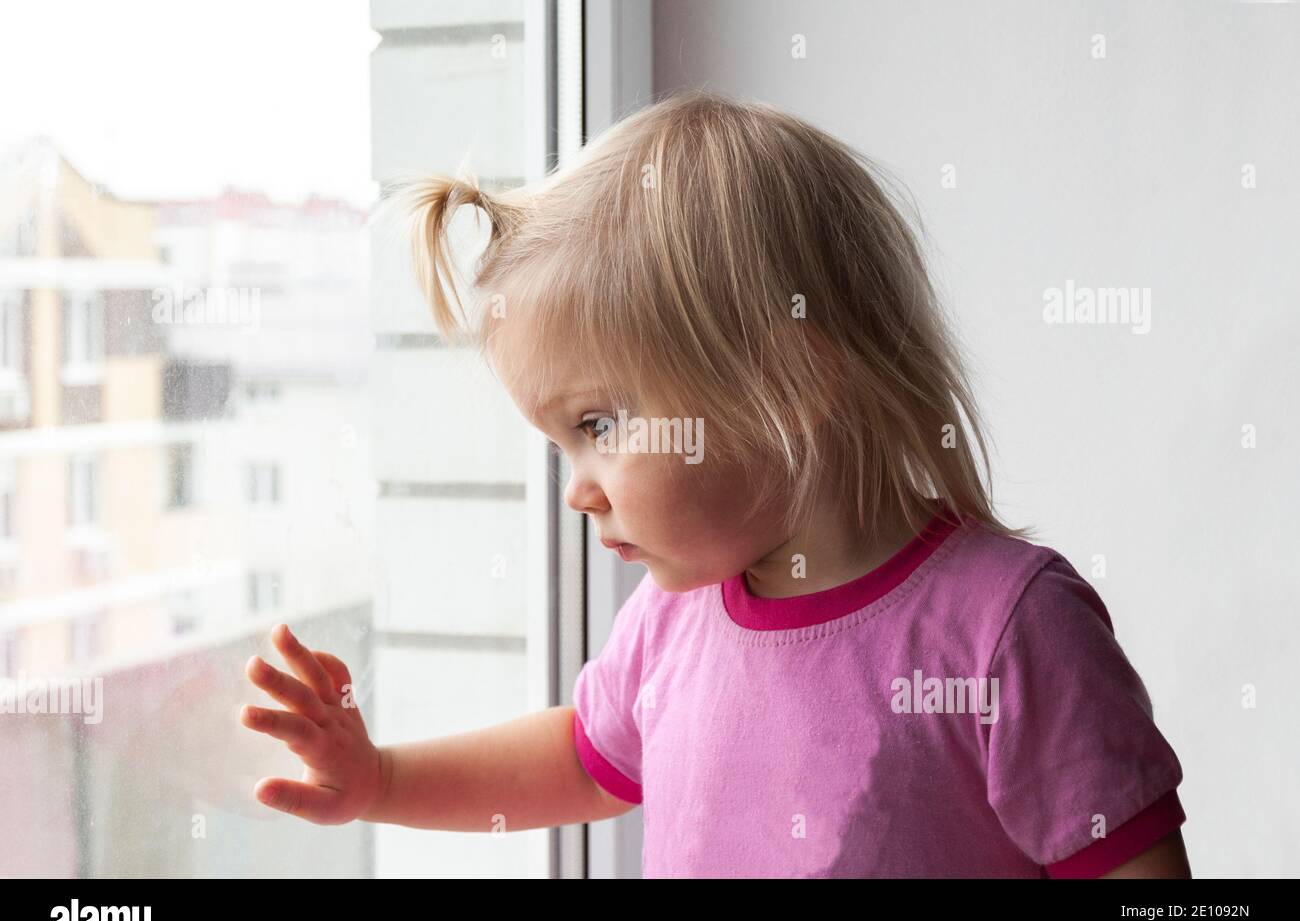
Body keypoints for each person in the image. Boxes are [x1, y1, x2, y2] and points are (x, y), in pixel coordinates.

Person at [239, 90, 1189, 878]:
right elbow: (578, 758)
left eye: (598, 426)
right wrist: (380, 781)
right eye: (564, 445)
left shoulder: (1006, 631)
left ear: (792, 383)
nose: (580, 489)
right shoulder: (671, 622)